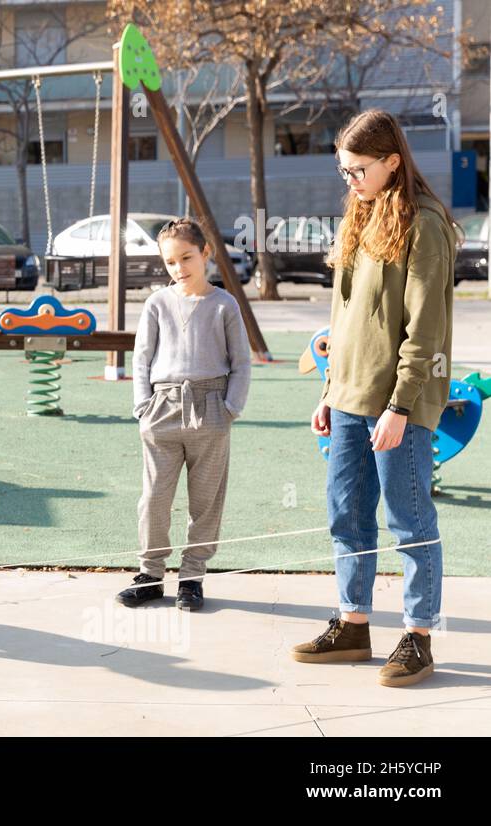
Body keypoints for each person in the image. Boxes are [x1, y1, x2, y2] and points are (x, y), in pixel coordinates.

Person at [291, 110, 457, 688]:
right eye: (344, 171)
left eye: (359, 169)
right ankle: (353, 624)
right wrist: (329, 391)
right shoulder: (360, 215)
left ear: (393, 162)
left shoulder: (426, 225)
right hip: (349, 396)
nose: (351, 181)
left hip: (398, 406)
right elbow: (342, 318)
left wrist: (401, 406)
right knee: (347, 516)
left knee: (410, 522)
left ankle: (418, 635)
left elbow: (425, 329)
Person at [117, 217, 250, 612]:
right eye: (171, 262)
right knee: (155, 497)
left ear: (205, 253)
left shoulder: (224, 304)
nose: (180, 269)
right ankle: (150, 574)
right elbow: (141, 359)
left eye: (187, 257)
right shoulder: (157, 303)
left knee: (205, 501)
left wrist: (230, 408)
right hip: (162, 408)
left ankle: (192, 577)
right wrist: (143, 406)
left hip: (210, 407)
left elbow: (241, 363)